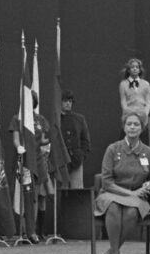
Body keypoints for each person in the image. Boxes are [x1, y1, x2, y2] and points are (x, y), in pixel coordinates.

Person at [94, 112, 150, 254]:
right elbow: (106, 182)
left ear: (142, 128)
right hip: (111, 193)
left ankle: (111, 251)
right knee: (113, 207)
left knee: (131, 212)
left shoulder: (149, 153)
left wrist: (148, 185)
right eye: (129, 124)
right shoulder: (112, 149)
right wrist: (131, 193)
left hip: (137, 197)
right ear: (124, 127)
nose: (132, 127)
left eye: (136, 124)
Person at [11, 91, 52, 243]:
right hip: (24, 159)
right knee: (25, 196)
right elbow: (15, 139)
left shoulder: (40, 119)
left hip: (38, 161)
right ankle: (23, 230)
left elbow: (43, 140)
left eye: (31, 100)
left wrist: (52, 139)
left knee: (35, 197)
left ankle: (32, 231)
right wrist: (19, 147)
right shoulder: (17, 118)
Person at [59, 90, 91, 189]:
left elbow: (85, 140)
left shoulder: (79, 119)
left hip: (76, 159)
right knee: (61, 189)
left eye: (70, 101)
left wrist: (82, 155)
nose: (68, 103)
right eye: (65, 101)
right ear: (60, 102)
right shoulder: (56, 119)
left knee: (77, 190)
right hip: (60, 160)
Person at [118, 58, 150, 124]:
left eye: (137, 67)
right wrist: (129, 113)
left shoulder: (146, 84)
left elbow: (148, 102)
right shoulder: (123, 84)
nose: (135, 69)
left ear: (140, 70)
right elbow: (123, 102)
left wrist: (145, 113)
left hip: (142, 115)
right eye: (132, 67)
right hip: (128, 115)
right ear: (128, 70)